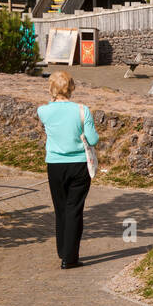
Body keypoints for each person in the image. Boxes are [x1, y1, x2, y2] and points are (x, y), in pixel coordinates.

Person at [37, 71, 99, 269]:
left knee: (61, 208)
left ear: (51, 88)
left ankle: (62, 250)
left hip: (55, 164)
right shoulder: (82, 110)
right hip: (79, 164)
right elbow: (93, 139)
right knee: (75, 210)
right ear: (71, 87)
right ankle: (70, 258)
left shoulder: (43, 111)